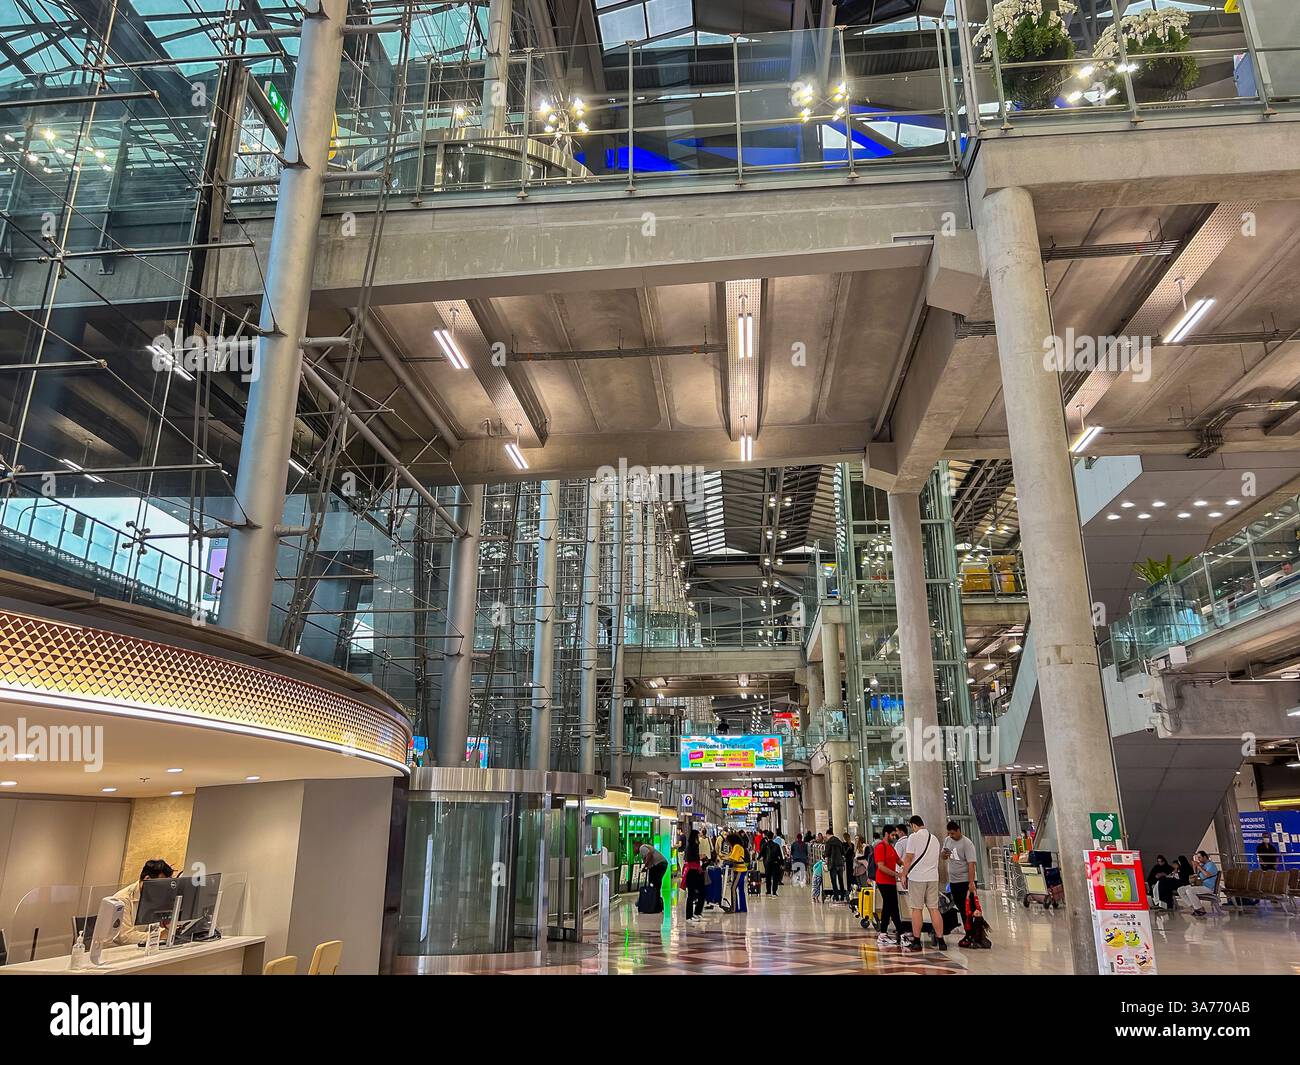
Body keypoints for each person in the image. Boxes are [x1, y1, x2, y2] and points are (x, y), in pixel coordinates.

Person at [899, 815, 946, 952]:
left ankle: (917, 941)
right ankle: (941, 941)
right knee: (934, 909)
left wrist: (903, 874)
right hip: (932, 877)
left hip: (917, 878)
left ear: (913, 825)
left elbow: (908, 857)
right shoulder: (935, 839)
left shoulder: (914, 837)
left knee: (916, 909)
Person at [109, 859, 176, 945]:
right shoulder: (122, 899)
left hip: (138, 948)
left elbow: (152, 928)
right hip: (115, 951)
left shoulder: (152, 896)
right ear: (147, 879)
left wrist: (167, 930)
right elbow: (125, 937)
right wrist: (159, 935)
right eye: (161, 885)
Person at [874, 826, 907, 945]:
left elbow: (899, 861)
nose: (894, 837)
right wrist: (897, 874)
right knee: (893, 907)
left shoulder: (891, 848)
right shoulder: (880, 847)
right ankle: (901, 933)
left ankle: (883, 934)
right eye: (892, 835)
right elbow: (881, 866)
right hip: (883, 881)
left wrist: (907, 867)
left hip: (891, 881)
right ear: (886, 834)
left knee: (888, 907)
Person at [941, 821, 977, 920]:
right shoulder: (947, 840)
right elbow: (943, 857)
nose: (950, 835)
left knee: (969, 907)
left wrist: (971, 882)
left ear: (958, 831)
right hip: (954, 881)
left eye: (952, 833)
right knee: (960, 907)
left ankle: (976, 931)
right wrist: (944, 854)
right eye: (949, 833)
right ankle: (968, 931)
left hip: (965, 880)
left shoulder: (967, 843)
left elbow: (971, 864)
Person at [1178, 851, 1219, 917]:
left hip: (1208, 887)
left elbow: (1207, 874)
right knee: (1181, 890)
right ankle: (1194, 906)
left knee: (1190, 891)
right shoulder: (1202, 865)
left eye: (1200, 857)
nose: (1199, 859)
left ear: (1204, 857)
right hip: (1200, 885)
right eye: (1198, 858)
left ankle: (1199, 909)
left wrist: (1199, 867)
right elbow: (1196, 876)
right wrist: (1195, 867)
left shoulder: (1211, 865)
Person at [682, 830, 706, 922]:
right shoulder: (693, 846)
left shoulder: (692, 846)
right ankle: (689, 916)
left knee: (698, 893)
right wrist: (699, 857)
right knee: (692, 894)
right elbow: (690, 858)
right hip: (692, 872)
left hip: (695, 871)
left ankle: (696, 913)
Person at [725, 832, 749, 913]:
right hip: (742, 870)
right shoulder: (739, 847)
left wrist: (724, 858)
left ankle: (734, 908)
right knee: (741, 890)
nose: (727, 843)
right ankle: (743, 908)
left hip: (739, 870)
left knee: (733, 888)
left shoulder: (736, 847)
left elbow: (733, 858)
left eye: (728, 841)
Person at [825, 830, 847, 902]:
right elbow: (843, 852)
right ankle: (843, 896)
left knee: (834, 881)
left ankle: (836, 896)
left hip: (832, 864)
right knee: (841, 880)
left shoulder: (828, 842)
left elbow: (827, 853)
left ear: (827, 834)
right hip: (840, 863)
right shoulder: (839, 841)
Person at [762, 830, 784, 896]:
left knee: (768, 877)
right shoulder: (776, 845)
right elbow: (780, 855)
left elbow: (761, 853)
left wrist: (763, 859)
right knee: (775, 878)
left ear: (767, 837)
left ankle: (768, 891)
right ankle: (774, 892)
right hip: (775, 863)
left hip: (768, 863)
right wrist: (782, 863)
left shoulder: (765, 844)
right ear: (772, 836)